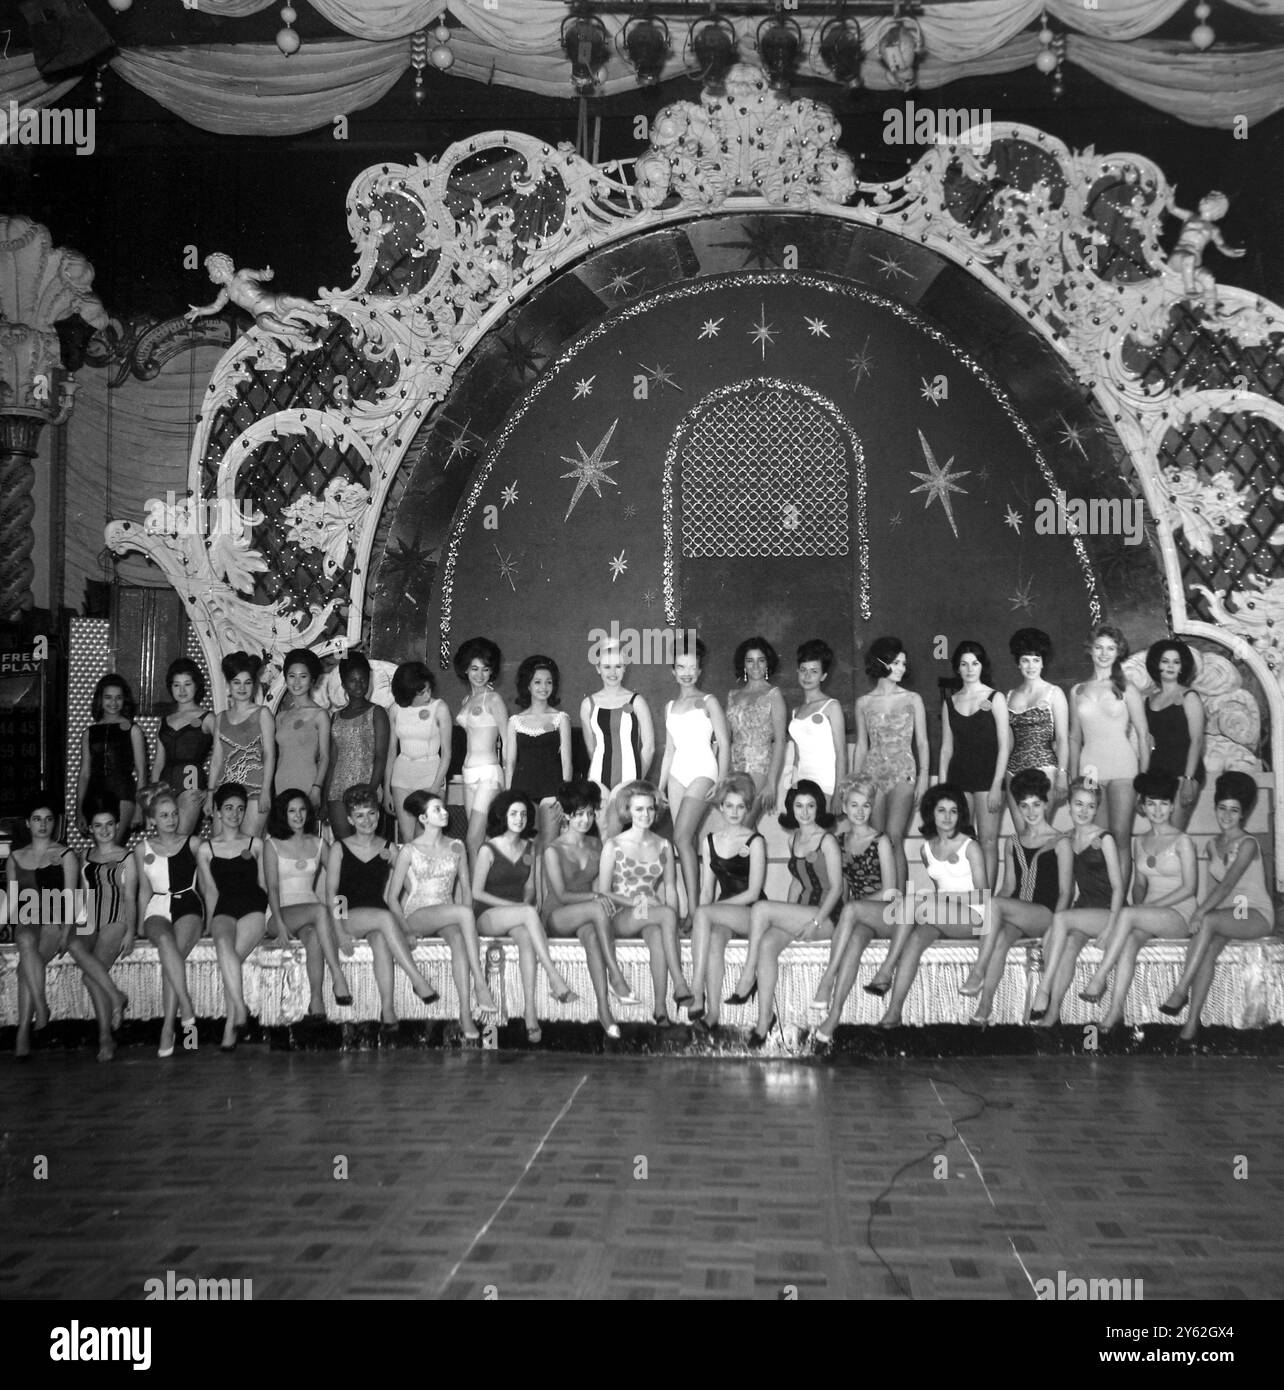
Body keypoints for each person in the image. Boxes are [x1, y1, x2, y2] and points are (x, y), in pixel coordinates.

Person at [725, 779, 843, 1048]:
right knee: (767, 944)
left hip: (828, 916)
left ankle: (747, 976)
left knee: (761, 907)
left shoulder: (827, 841)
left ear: (818, 808)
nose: (805, 811)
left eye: (811, 806)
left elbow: (836, 889)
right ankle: (765, 1019)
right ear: (792, 808)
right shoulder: (795, 839)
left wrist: (815, 921)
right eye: (799, 806)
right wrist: (788, 912)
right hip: (803, 911)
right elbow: (797, 882)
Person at [1159, 772, 1275, 1043]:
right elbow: (1214, 890)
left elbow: (1228, 886)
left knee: (1208, 922)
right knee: (1207, 948)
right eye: (1222, 808)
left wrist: (1202, 915)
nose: (1227, 815)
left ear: (1243, 814)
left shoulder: (1248, 844)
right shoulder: (1213, 844)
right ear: (1215, 808)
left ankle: (1180, 989)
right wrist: (1198, 915)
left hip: (1253, 912)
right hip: (1229, 914)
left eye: (1234, 810)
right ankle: (1191, 1025)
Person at [1078, 770, 1197, 1030]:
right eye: (1151, 804)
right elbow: (1140, 885)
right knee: (1130, 940)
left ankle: (1099, 977)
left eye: (1164, 804)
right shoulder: (1139, 842)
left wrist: (1146, 908)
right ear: (1142, 806)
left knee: (1128, 914)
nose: (1157, 810)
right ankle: (1115, 1012)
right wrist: (1141, 903)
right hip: (1149, 914)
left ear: (1172, 806)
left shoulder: (1183, 841)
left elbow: (1190, 888)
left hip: (1179, 914)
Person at [863, 783, 986, 1026]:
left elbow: (983, 895)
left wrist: (937, 901)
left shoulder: (970, 846)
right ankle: (894, 1013)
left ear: (960, 814)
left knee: (914, 902)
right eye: (942, 810)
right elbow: (940, 888)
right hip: (946, 915)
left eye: (953, 811)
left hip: (976, 916)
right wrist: (936, 901)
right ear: (932, 813)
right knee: (914, 941)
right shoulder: (926, 849)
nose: (948, 817)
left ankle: (886, 970)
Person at [959, 769, 1072, 1025]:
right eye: (1024, 806)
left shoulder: (1060, 842)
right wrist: (988, 918)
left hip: (1045, 915)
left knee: (996, 904)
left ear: (1046, 804)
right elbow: (1008, 887)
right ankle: (984, 1008)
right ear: (1018, 808)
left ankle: (977, 971)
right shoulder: (1012, 842)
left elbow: (1066, 892)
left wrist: (1055, 927)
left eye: (1036, 805)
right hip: (1018, 912)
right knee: (998, 939)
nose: (1031, 812)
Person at [326, 783, 441, 1033]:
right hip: (347, 916)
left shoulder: (389, 847)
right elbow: (333, 894)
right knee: (384, 919)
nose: (366, 820)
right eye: (359, 815)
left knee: (380, 940)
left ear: (378, 814)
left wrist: (408, 928)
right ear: (350, 819)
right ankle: (417, 979)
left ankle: (387, 1010)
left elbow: (410, 889)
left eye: (371, 813)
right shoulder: (339, 848)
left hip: (378, 918)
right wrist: (339, 930)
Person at [386, 789, 499, 1041]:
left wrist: (467, 922)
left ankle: (465, 1014)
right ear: (423, 819)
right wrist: (405, 929)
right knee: (462, 912)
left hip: (446, 913)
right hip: (417, 913)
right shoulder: (409, 850)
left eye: (443, 807)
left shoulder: (456, 846)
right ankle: (481, 984)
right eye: (437, 809)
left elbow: (467, 890)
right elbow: (391, 898)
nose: (445, 812)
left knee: (459, 938)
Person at [471, 790, 577, 1045]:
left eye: (523, 814)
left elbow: (530, 888)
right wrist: (518, 907)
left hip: (517, 914)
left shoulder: (530, 848)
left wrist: (524, 905)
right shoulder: (489, 848)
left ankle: (530, 1014)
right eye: (513, 814)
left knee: (526, 938)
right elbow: (477, 892)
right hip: (486, 914)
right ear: (502, 816)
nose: (519, 819)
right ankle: (555, 978)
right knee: (528, 914)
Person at [542, 781, 635, 1041]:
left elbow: (600, 890)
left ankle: (604, 1012)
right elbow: (561, 895)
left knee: (593, 937)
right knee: (596, 908)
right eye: (579, 814)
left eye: (590, 813)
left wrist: (620, 901)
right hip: (558, 914)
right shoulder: (553, 849)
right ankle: (616, 976)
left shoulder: (596, 845)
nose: (585, 819)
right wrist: (597, 898)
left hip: (588, 913)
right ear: (568, 816)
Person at [809, 776, 898, 1046]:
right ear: (845, 808)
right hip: (859, 915)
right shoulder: (840, 840)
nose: (861, 812)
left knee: (851, 910)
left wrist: (857, 906)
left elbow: (892, 890)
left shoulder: (880, 840)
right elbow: (842, 886)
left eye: (866, 806)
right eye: (855, 805)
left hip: (886, 911)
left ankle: (827, 980)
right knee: (854, 944)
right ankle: (833, 1017)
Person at [1031, 778, 1127, 1028]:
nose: (1084, 811)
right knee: (1069, 947)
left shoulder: (1104, 838)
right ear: (1069, 806)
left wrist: (1110, 927)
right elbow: (1066, 886)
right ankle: (1053, 1013)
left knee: (1060, 919)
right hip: (1084, 909)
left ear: (1097, 809)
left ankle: (1044, 988)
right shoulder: (1069, 839)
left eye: (1091, 806)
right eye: (1078, 804)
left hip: (1110, 911)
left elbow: (1118, 887)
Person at [597, 781, 691, 1026]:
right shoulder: (614, 845)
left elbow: (670, 887)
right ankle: (680, 983)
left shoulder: (663, 845)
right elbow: (603, 891)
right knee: (665, 916)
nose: (645, 815)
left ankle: (660, 1009)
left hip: (652, 912)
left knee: (659, 937)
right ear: (628, 810)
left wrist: (676, 920)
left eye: (649, 809)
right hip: (622, 911)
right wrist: (639, 901)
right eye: (639, 809)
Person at [1069, 625, 1147, 890]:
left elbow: (1144, 733)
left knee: (1121, 838)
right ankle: (1102, 899)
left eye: (1110, 648)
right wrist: (1070, 776)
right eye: (1099, 647)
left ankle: (1119, 902)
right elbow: (1074, 738)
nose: (1104, 653)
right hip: (1090, 772)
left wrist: (1144, 778)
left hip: (1124, 769)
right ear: (1090, 650)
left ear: (1118, 652)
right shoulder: (1077, 691)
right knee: (1099, 839)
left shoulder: (1127, 688)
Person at [264, 789, 353, 1018]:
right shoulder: (272, 844)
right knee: (320, 910)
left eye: (302, 809)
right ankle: (337, 976)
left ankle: (316, 1002)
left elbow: (340, 882)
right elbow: (272, 888)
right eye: (291, 811)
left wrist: (341, 914)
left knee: (314, 936)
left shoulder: (320, 843)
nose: (298, 815)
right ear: (283, 815)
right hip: (278, 914)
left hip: (311, 913)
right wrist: (281, 926)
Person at [659, 638, 730, 924]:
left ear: (700, 670)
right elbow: (668, 751)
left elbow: (724, 743)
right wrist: (661, 786)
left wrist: (723, 780)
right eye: (681, 667)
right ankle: (693, 907)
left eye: (692, 667)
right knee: (682, 843)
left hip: (703, 770)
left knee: (681, 837)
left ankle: (695, 911)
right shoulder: (669, 706)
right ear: (673, 671)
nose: (687, 672)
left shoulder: (709, 701)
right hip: (677, 773)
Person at [688, 774, 767, 1029]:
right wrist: (708, 911)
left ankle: (696, 988)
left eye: (740, 806)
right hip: (721, 912)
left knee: (703, 913)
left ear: (747, 809)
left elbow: (754, 893)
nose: (734, 811)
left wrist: (709, 911)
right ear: (721, 807)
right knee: (712, 941)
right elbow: (707, 890)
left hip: (752, 912)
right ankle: (712, 1014)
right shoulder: (710, 840)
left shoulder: (755, 841)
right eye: (729, 806)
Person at [10, 795, 85, 1060]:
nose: (43, 824)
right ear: (28, 823)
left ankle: (22, 1033)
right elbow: (11, 899)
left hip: (55, 919)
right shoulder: (15, 857)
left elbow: (70, 897)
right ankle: (41, 1006)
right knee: (26, 942)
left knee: (24, 970)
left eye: (48, 819)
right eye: (37, 819)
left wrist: (66, 930)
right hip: (28, 918)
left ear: (55, 823)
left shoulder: (65, 854)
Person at [852, 636, 928, 892]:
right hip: (872, 774)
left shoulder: (912, 699)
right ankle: (878, 899)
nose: (901, 669)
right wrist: (854, 782)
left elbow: (923, 743)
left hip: (902, 772)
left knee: (894, 838)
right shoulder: (863, 703)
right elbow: (862, 745)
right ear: (881, 663)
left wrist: (924, 778)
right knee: (876, 839)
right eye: (896, 663)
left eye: (904, 664)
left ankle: (899, 903)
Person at [134, 784, 204, 1057]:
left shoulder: (194, 843)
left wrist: (208, 916)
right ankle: (186, 1006)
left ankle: (167, 1027)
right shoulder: (143, 849)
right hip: (157, 908)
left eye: (174, 814)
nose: (172, 819)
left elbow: (208, 886)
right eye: (164, 815)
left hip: (188, 905)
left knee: (170, 957)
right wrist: (140, 923)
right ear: (152, 819)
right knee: (165, 940)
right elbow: (143, 890)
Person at [197, 783, 268, 1051]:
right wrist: (208, 923)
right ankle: (239, 1007)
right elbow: (210, 891)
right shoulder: (206, 849)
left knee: (232, 960)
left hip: (253, 906)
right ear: (216, 811)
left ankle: (230, 1024)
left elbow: (263, 884)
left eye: (240, 808)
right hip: (224, 908)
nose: (235, 814)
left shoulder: (256, 844)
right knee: (224, 946)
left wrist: (271, 916)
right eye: (228, 808)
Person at [938, 642, 1010, 889]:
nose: (970, 669)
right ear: (957, 668)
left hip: (988, 778)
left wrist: (996, 784)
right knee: (964, 840)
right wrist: (943, 786)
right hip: (959, 779)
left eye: (975, 663)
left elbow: (1004, 746)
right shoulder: (950, 702)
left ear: (982, 666)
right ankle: (967, 894)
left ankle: (986, 899)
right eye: (964, 664)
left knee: (988, 842)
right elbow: (947, 748)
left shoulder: (995, 698)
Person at [77, 795, 138, 1060]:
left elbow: (130, 897)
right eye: (99, 825)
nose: (104, 830)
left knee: (90, 975)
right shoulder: (83, 857)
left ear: (116, 825)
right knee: (72, 943)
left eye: (110, 824)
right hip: (90, 918)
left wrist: (131, 932)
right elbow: (83, 893)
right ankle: (115, 995)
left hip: (116, 918)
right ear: (90, 828)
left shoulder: (128, 856)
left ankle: (105, 1038)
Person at [581, 639, 655, 839]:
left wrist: (637, 779)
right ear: (598, 668)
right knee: (603, 831)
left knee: (612, 829)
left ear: (625, 668)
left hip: (629, 776)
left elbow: (648, 748)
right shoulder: (588, 704)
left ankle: (608, 868)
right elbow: (592, 748)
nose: (612, 672)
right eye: (607, 666)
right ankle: (605, 869)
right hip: (598, 776)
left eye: (618, 666)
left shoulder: (636, 701)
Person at [505, 655, 573, 850]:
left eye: (548, 682)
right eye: (537, 682)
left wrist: (564, 796)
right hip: (522, 790)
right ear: (527, 685)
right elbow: (510, 763)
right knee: (527, 849)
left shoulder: (561, 718)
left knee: (548, 848)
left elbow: (567, 762)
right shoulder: (515, 721)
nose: (544, 687)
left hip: (553, 790)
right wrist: (509, 797)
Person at [207, 652, 276, 838]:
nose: (242, 687)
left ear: (254, 685)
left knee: (249, 847)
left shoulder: (263, 714)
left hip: (255, 790)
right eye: (237, 682)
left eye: (247, 682)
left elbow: (270, 754)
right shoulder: (220, 718)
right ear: (229, 684)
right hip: (225, 789)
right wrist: (209, 795)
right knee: (220, 847)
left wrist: (266, 791)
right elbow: (216, 760)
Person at [1005, 628, 1069, 825]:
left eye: (1036, 660)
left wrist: (1062, 774)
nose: (1030, 665)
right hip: (1013, 772)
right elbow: (1006, 742)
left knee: (1041, 832)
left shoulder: (1054, 693)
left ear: (1043, 662)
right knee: (1021, 834)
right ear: (1018, 663)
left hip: (1045, 770)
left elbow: (1062, 739)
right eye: (1025, 660)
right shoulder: (1009, 696)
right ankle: (1021, 858)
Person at [454, 637, 508, 869]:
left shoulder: (494, 699)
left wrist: (509, 779)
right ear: (465, 669)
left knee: (473, 839)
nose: (480, 674)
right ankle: (487, 892)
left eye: (485, 669)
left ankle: (475, 898)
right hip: (468, 775)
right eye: (474, 668)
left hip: (489, 774)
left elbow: (508, 741)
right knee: (483, 839)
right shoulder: (467, 699)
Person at [325, 653, 390, 841]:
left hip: (367, 786)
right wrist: (324, 799)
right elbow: (332, 760)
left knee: (368, 847)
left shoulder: (377, 713)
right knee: (344, 847)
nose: (359, 684)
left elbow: (380, 757)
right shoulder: (336, 717)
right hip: (337, 790)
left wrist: (370, 791)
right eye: (353, 680)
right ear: (344, 683)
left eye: (363, 679)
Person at [76, 674, 147, 845]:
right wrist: (78, 810)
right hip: (94, 795)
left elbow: (142, 771)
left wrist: (140, 807)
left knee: (113, 847)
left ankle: (122, 872)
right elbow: (84, 773)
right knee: (102, 850)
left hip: (123, 792)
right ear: (100, 699)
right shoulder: (89, 732)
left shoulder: (133, 730)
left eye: (118, 698)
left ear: (124, 700)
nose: (113, 702)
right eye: (108, 697)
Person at [1144, 639, 1206, 831]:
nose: (1170, 666)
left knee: (1174, 834)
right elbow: (1148, 743)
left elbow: (1197, 740)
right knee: (1160, 832)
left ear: (1182, 667)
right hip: (1158, 772)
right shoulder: (1149, 699)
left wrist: (1188, 780)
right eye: (1165, 661)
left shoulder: (1190, 697)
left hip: (1184, 771)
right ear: (1156, 664)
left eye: (1176, 662)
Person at [386, 661, 450, 843]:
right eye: (421, 692)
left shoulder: (440, 708)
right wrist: (388, 790)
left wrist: (436, 787)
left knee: (424, 837)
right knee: (407, 839)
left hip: (431, 776)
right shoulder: (396, 709)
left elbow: (447, 753)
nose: (427, 695)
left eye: (429, 689)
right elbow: (391, 752)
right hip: (402, 778)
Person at [725, 637, 788, 820]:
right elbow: (726, 738)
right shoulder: (732, 695)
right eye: (750, 660)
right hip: (734, 768)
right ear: (743, 664)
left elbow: (779, 741)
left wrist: (771, 782)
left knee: (745, 823)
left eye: (761, 660)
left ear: (767, 663)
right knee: (738, 826)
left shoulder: (773, 695)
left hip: (760, 767)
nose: (755, 666)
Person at [152, 657, 215, 837]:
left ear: (196, 685)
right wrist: (151, 797)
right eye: (176, 685)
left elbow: (223, 756)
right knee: (165, 840)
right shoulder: (164, 720)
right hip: (164, 784)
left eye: (187, 684)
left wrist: (211, 790)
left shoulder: (208, 718)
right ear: (170, 687)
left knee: (180, 839)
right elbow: (158, 763)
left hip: (192, 782)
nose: (182, 690)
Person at [787, 639, 846, 807]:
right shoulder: (795, 711)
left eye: (814, 671)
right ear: (797, 671)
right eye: (803, 670)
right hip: (802, 786)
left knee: (819, 833)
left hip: (826, 786)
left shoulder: (831, 706)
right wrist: (792, 786)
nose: (807, 676)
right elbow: (797, 757)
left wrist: (839, 794)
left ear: (824, 676)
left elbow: (842, 753)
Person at [1166, 191, 1245, 313]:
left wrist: (1232, 252)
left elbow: (1222, 246)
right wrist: (1170, 197)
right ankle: (1190, 289)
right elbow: (1172, 209)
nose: (1201, 200)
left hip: (1194, 266)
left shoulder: (1213, 229)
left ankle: (1211, 310)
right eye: (1203, 199)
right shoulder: (1189, 216)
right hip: (1178, 259)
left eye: (1206, 200)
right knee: (1189, 258)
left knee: (1208, 278)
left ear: (1215, 208)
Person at [274, 648, 330, 812]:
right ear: (285, 679)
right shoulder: (281, 717)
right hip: (282, 783)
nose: (297, 682)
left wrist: (316, 788)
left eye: (303, 676)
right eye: (292, 676)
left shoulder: (320, 715)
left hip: (307, 782)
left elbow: (325, 757)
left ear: (312, 680)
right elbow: (280, 756)